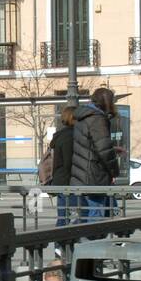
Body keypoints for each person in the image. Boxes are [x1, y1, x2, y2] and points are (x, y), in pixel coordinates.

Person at [71, 87, 120, 220]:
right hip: (94, 176)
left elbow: (90, 146)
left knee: (87, 214)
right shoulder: (97, 119)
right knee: (96, 216)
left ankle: (80, 239)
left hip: (82, 174)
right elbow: (103, 149)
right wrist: (114, 171)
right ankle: (93, 239)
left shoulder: (83, 117)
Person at [50, 106, 76, 227]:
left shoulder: (60, 135)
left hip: (60, 181)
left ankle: (60, 244)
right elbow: (69, 162)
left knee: (63, 216)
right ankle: (64, 243)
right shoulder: (70, 136)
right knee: (85, 212)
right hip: (68, 182)